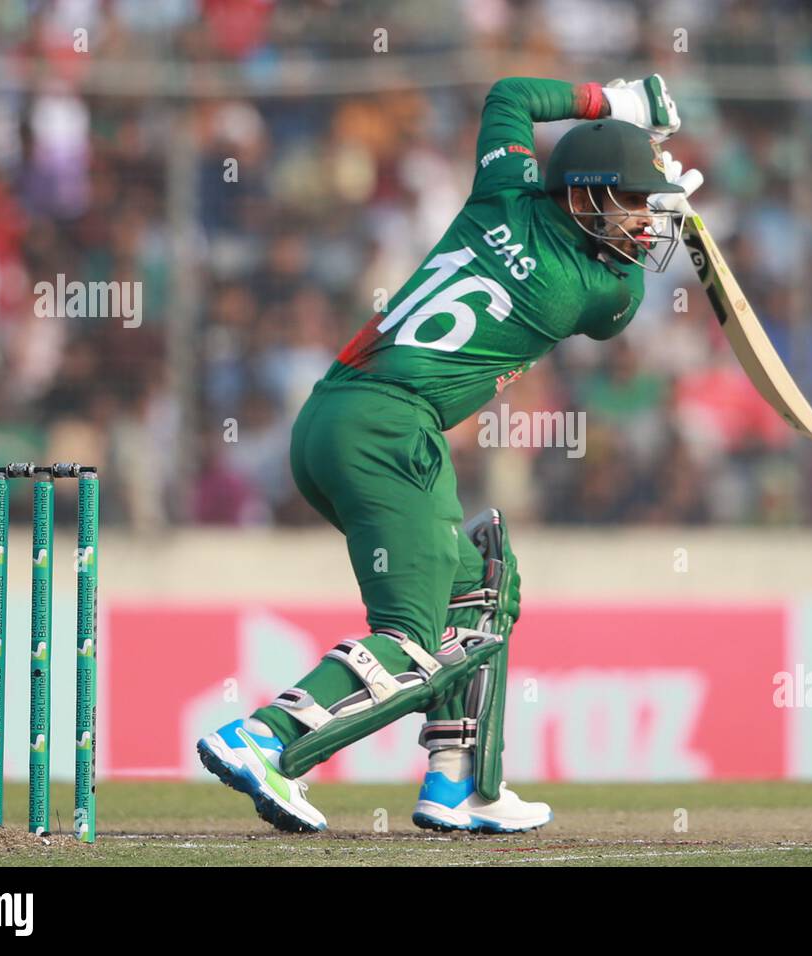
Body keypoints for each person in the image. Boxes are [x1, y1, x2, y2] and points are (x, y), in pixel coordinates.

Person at [197, 75, 701, 833]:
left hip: (332, 414)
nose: (644, 225)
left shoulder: (501, 189)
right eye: (634, 205)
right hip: (394, 429)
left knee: (483, 588)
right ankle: (263, 739)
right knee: (413, 640)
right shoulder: (583, 289)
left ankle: (458, 781)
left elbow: (509, 98)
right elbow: (621, 301)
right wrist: (667, 191)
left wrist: (618, 108)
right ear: (588, 196)